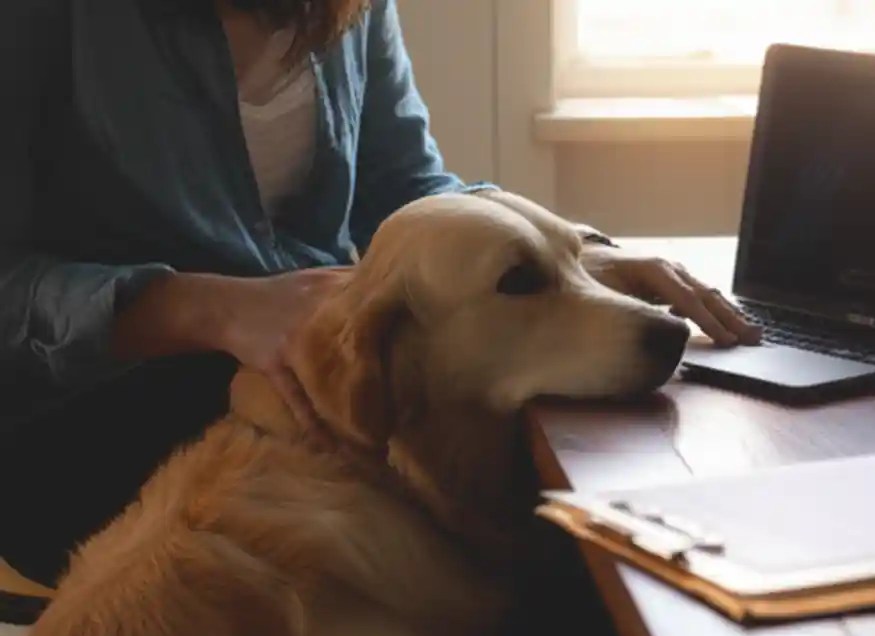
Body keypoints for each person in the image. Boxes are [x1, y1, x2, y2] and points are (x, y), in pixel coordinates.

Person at [0, 0, 758, 590]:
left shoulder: (349, 9)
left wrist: (579, 259)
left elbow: (410, 191)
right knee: (523, 532)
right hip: (86, 413)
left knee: (583, 464)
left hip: (301, 372)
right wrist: (219, 308)